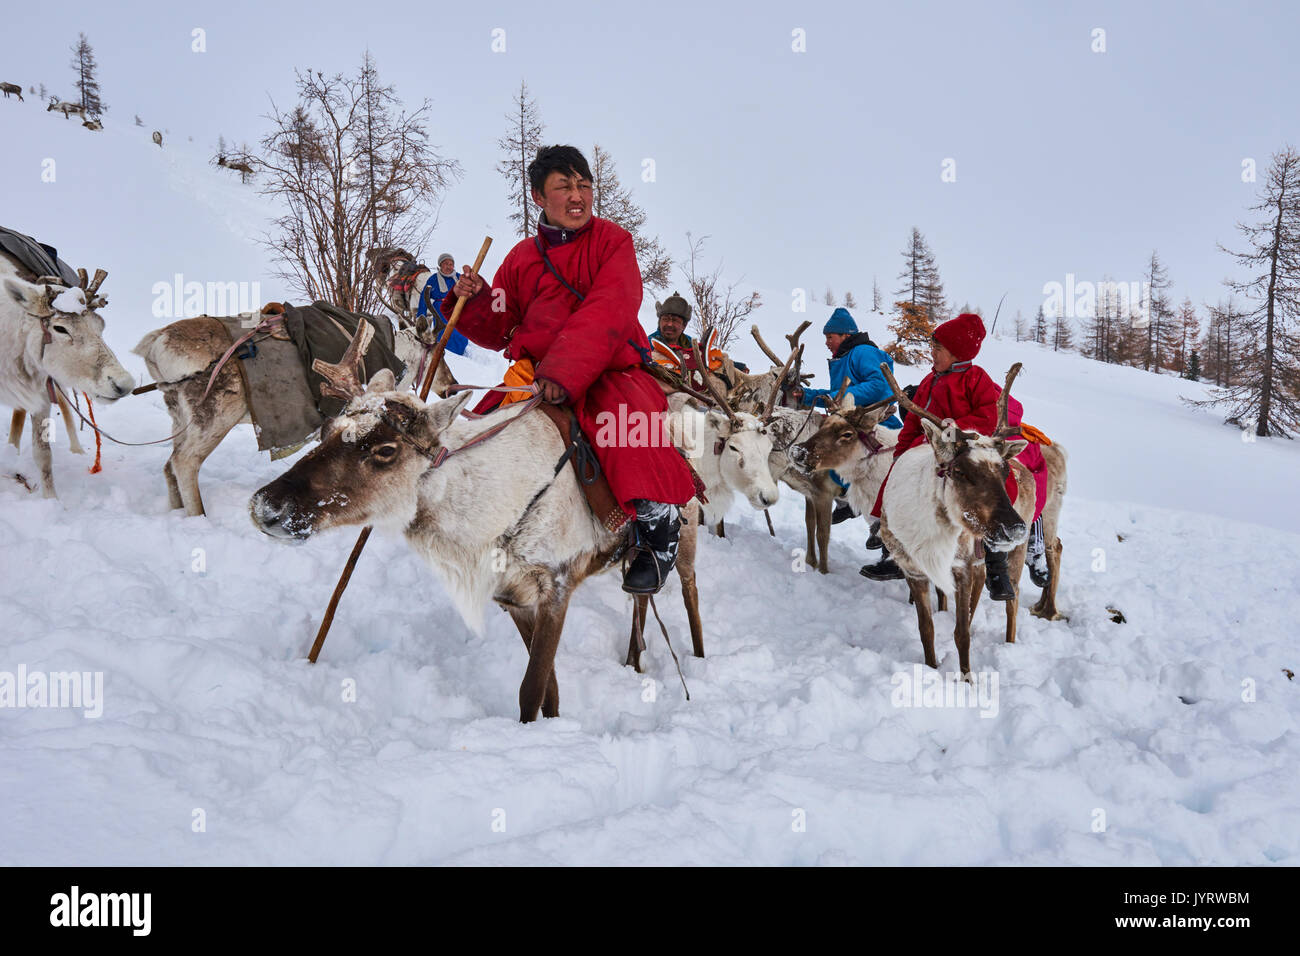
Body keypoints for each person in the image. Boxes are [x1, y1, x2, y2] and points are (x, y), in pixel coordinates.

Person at [440, 145, 696, 594]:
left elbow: (609, 309)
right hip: (538, 375)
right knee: (480, 435)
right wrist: (477, 297)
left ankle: (658, 530)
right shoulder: (520, 258)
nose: (578, 195)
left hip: (607, 367)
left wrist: (564, 371)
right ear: (540, 196)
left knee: (629, 428)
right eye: (564, 186)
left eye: (584, 185)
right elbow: (501, 326)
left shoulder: (613, 241)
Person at [860, 312, 1050, 600]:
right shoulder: (929, 381)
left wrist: (957, 428)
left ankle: (996, 559)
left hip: (969, 450)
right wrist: (902, 450)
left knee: (1002, 487)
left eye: (938, 349)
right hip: (928, 448)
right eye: (932, 347)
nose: (931, 354)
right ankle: (892, 548)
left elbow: (989, 414)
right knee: (893, 487)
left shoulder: (976, 379)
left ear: (957, 353)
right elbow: (913, 419)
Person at [789, 308, 902, 528]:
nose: (827, 342)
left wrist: (844, 397)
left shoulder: (862, 352)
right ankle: (850, 505)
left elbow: (881, 384)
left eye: (830, 337)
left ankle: (877, 523)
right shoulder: (844, 359)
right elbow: (836, 398)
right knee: (835, 460)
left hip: (876, 425)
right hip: (853, 426)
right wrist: (808, 395)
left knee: (877, 480)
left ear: (845, 336)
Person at [417, 253, 469, 355]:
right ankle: (447, 353)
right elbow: (424, 296)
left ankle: (460, 353)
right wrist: (421, 315)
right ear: (440, 265)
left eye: (451, 264)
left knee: (460, 331)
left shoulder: (459, 277)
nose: (449, 266)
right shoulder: (433, 279)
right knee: (445, 331)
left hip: (458, 307)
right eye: (446, 263)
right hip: (441, 309)